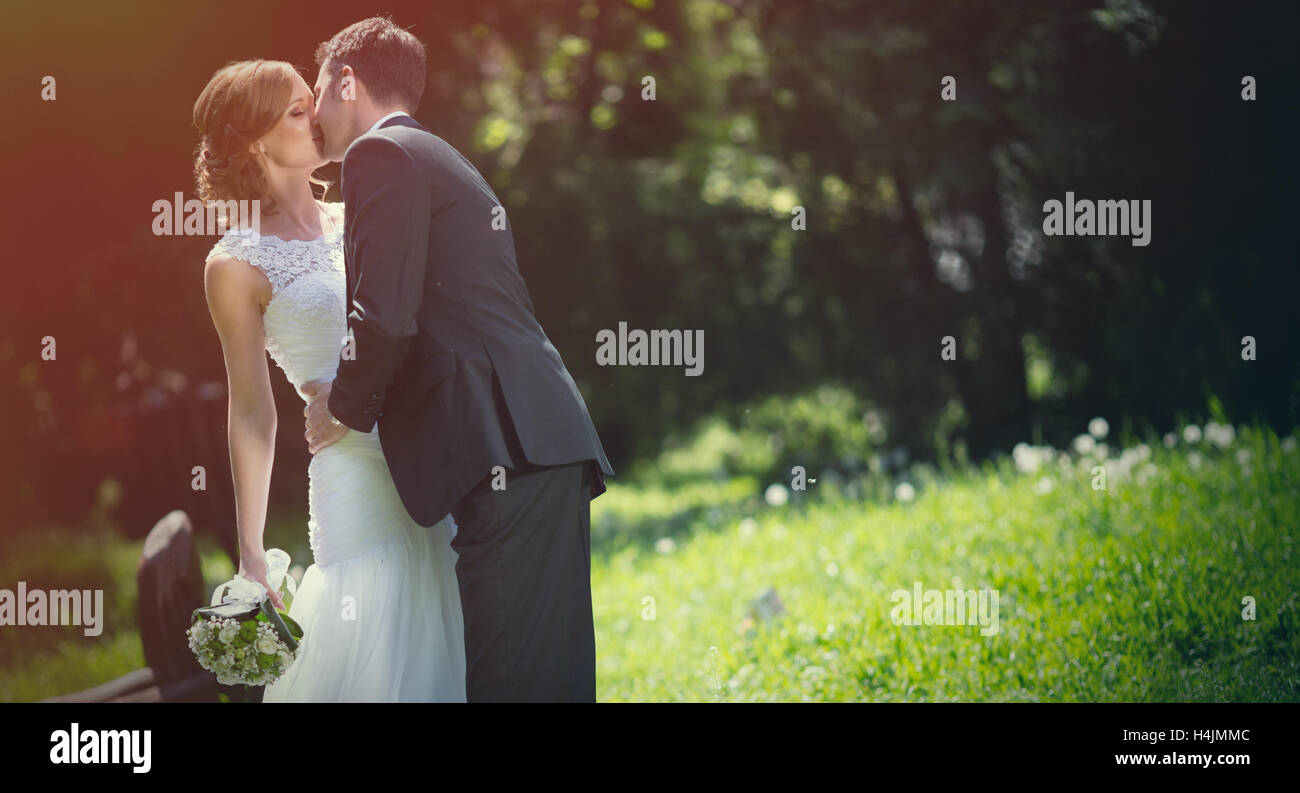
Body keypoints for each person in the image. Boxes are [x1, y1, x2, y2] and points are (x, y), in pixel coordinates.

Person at [301, 17, 614, 702]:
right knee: (548, 677)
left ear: (347, 82)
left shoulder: (379, 156)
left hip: (506, 441)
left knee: (510, 680)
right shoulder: (436, 154)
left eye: (318, 94)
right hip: (534, 438)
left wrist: (342, 408)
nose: (313, 117)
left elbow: (383, 317)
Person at [196, 58, 465, 701]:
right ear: (255, 140)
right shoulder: (233, 264)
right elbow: (253, 413)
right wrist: (251, 552)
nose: (315, 117)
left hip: (424, 450)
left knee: (448, 614)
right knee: (372, 626)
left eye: (308, 102)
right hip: (350, 472)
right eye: (295, 111)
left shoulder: (363, 214)